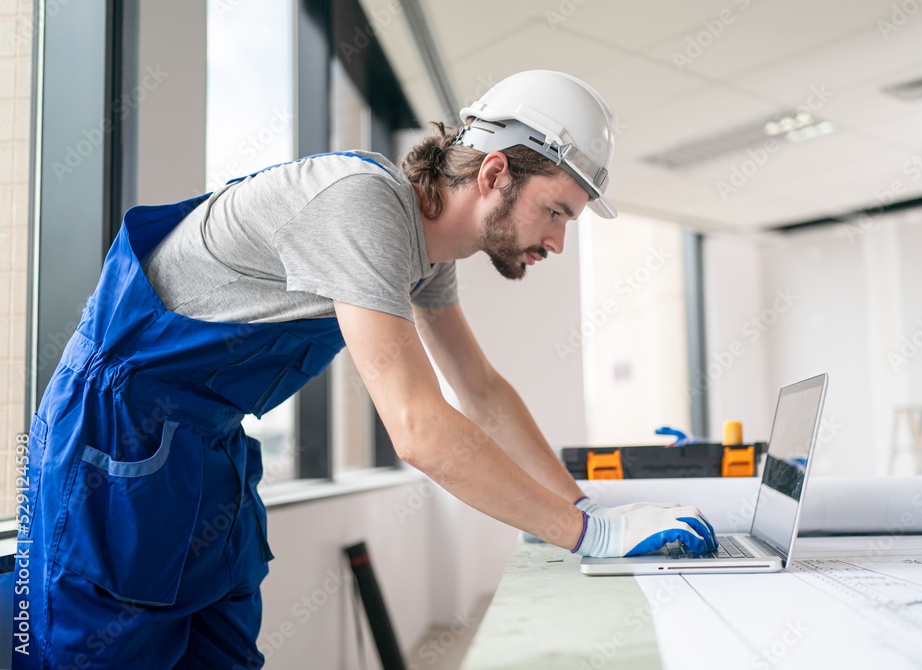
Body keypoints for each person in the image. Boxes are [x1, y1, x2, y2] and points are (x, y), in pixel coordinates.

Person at [18, 69, 716, 669]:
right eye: (556, 211)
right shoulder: (360, 205)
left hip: (204, 451)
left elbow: (479, 389)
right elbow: (416, 427)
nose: (559, 241)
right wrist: (589, 538)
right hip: (112, 447)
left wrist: (581, 507)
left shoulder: (426, 253)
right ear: (497, 172)